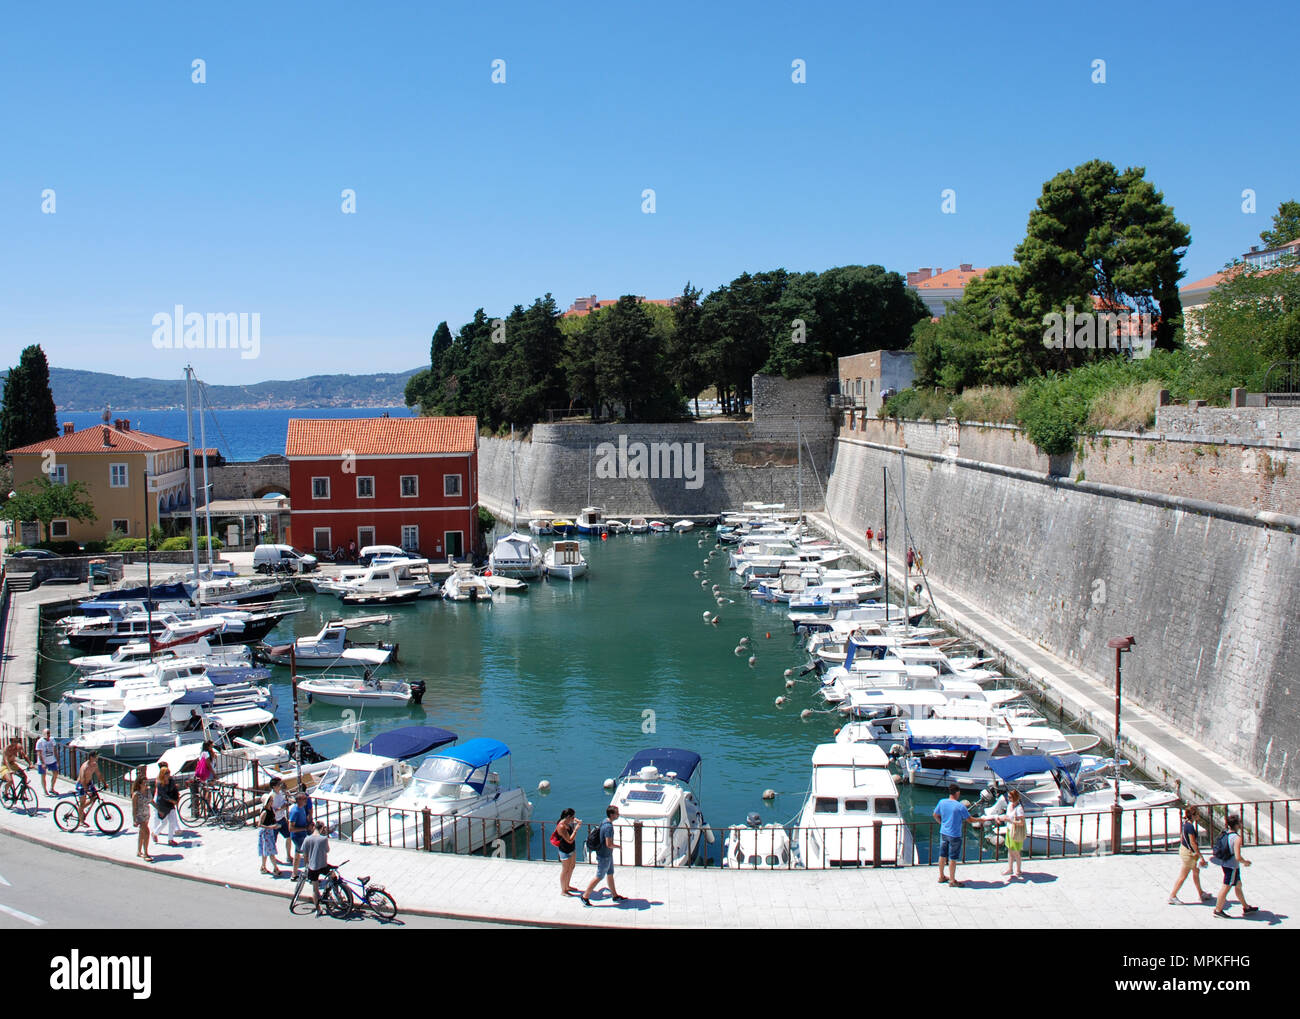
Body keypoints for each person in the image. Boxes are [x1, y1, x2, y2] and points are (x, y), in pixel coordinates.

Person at [932, 784, 983, 888]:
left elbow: (935, 815)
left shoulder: (942, 802)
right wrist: (980, 819)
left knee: (942, 855)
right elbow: (969, 820)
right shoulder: (960, 806)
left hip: (944, 833)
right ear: (957, 793)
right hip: (954, 835)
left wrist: (941, 824)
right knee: (953, 858)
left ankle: (941, 876)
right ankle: (952, 880)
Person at [1213, 814, 1259, 918]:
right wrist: (1246, 862)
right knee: (1226, 887)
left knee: (1238, 885)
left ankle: (1246, 907)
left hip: (1225, 863)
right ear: (1237, 825)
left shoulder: (1225, 833)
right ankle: (1218, 910)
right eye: (1239, 823)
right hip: (1232, 866)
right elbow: (1238, 857)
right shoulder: (1237, 838)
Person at [582, 806, 626, 906]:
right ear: (612, 815)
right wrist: (618, 847)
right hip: (604, 855)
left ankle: (614, 895)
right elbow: (608, 844)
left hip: (606, 854)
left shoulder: (604, 821)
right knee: (599, 876)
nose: (618, 814)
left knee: (610, 874)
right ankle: (585, 896)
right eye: (616, 813)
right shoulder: (609, 827)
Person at [1168, 806, 1212, 904]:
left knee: (1196, 871)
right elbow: (1193, 843)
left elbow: (1182, 837)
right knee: (1183, 876)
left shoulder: (1185, 823)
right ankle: (1172, 896)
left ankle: (1201, 893)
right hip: (1189, 854)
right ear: (1193, 815)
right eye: (1197, 814)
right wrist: (1201, 857)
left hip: (1184, 850)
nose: (1199, 816)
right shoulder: (1190, 827)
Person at [300, 820, 332, 915]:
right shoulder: (324, 839)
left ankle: (318, 909)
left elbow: (305, 855)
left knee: (315, 888)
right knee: (333, 876)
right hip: (323, 865)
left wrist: (307, 865)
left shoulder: (307, 839)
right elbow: (327, 850)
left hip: (312, 867)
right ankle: (335, 893)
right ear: (322, 828)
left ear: (314, 827)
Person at [997, 788, 1026, 881]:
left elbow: (1021, 822)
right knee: (1010, 850)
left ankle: (1018, 869)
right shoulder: (1010, 805)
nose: (1008, 799)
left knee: (1016, 851)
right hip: (1009, 830)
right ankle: (1010, 868)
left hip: (1015, 831)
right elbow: (1007, 816)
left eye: (1010, 797)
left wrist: (1010, 821)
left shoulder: (1019, 809)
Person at [552, 807, 581, 896]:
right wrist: (576, 829)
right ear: (568, 817)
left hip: (571, 849)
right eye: (572, 817)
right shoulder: (561, 826)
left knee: (571, 867)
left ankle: (567, 886)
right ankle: (563, 891)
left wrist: (576, 821)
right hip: (565, 850)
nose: (573, 819)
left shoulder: (567, 823)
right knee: (565, 870)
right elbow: (569, 840)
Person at [152, 763, 181, 846]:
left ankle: (170, 839)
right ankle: (155, 833)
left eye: (168, 773)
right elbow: (163, 795)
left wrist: (176, 799)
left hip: (170, 805)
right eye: (166, 774)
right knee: (163, 823)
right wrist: (172, 801)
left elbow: (175, 790)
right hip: (163, 805)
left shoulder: (171, 781)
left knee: (172, 822)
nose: (168, 775)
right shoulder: (159, 784)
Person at [263, 777, 291, 864]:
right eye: (279, 784)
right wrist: (280, 808)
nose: (281, 786)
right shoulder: (271, 796)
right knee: (272, 841)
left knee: (289, 836)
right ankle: (272, 858)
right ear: (274, 786)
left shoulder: (280, 793)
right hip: (274, 821)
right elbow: (269, 810)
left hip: (282, 819)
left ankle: (288, 856)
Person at [288, 790, 313, 880]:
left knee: (297, 855)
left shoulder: (301, 808)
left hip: (302, 835)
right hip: (298, 837)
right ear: (299, 800)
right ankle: (309, 876)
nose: (306, 800)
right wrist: (305, 828)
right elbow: (291, 828)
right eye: (304, 799)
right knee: (307, 856)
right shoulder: (295, 811)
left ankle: (294, 874)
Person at [74, 752, 101, 829]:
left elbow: (99, 774)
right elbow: (82, 779)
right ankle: (81, 821)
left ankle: (81, 809)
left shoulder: (95, 765)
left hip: (89, 783)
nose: (97, 758)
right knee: (82, 803)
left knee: (94, 797)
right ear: (91, 757)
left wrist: (105, 784)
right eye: (96, 757)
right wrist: (86, 790)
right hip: (81, 785)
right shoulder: (85, 766)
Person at [258, 792, 282, 876]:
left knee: (266, 851)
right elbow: (259, 824)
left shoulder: (271, 809)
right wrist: (270, 827)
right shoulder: (264, 812)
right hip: (266, 832)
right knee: (271, 851)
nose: (272, 802)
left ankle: (263, 867)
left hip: (270, 832)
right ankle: (275, 868)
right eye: (270, 801)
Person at [132, 768, 153, 862]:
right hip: (140, 815)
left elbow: (151, 801)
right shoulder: (136, 794)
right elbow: (134, 808)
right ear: (139, 784)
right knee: (147, 832)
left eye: (146, 783)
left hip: (146, 814)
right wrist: (134, 820)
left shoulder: (148, 791)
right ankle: (146, 853)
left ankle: (139, 851)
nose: (146, 785)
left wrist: (159, 809)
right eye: (144, 783)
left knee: (142, 833)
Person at [35, 728, 59, 795]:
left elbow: (55, 750)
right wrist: (43, 763)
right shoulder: (40, 742)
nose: (48, 735)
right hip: (43, 761)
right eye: (46, 733)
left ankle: (52, 788)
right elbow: (39, 753)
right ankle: (45, 791)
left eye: (48, 733)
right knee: (43, 776)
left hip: (51, 760)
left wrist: (57, 760)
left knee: (55, 773)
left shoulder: (52, 739)